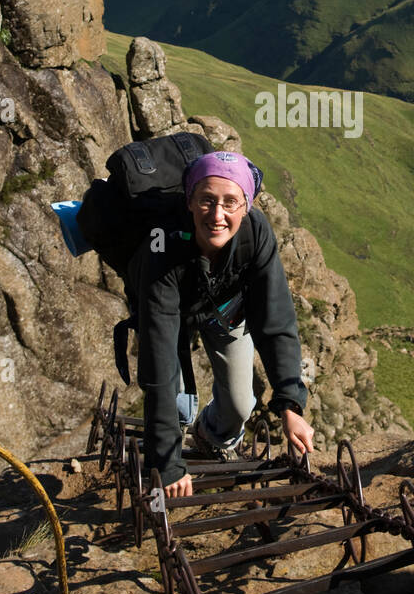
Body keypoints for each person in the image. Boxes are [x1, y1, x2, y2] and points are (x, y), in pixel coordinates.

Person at [130, 150, 314, 498]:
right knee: (177, 404)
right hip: (168, 314)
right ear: (189, 201)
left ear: (246, 207)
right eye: (206, 201)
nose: (217, 215)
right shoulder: (162, 243)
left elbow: (275, 321)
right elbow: (158, 362)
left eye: (231, 203)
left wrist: (290, 405)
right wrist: (167, 465)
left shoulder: (256, 234)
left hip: (223, 309)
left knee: (241, 406)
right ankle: (179, 437)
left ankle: (209, 437)